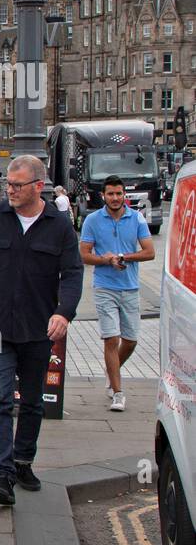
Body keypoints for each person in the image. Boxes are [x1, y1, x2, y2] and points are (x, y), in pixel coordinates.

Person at [0, 156, 84, 506]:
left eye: (17, 185)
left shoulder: (59, 225)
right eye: (8, 184)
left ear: (39, 186)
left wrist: (64, 313)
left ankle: (23, 460)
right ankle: (3, 476)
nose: (9, 190)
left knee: (33, 402)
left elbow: (72, 274)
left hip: (39, 328)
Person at [79, 176, 155, 411]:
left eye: (118, 194)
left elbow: (149, 252)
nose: (115, 198)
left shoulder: (137, 218)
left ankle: (112, 371)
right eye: (110, 194)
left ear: (124, 195)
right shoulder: (92, 220)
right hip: (104, 287)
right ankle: (118, 393)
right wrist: (107, 260)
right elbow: (84, 255)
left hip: (130, 287)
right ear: (103, 196)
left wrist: (124, 257)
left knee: (130, 341)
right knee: (111, 338)